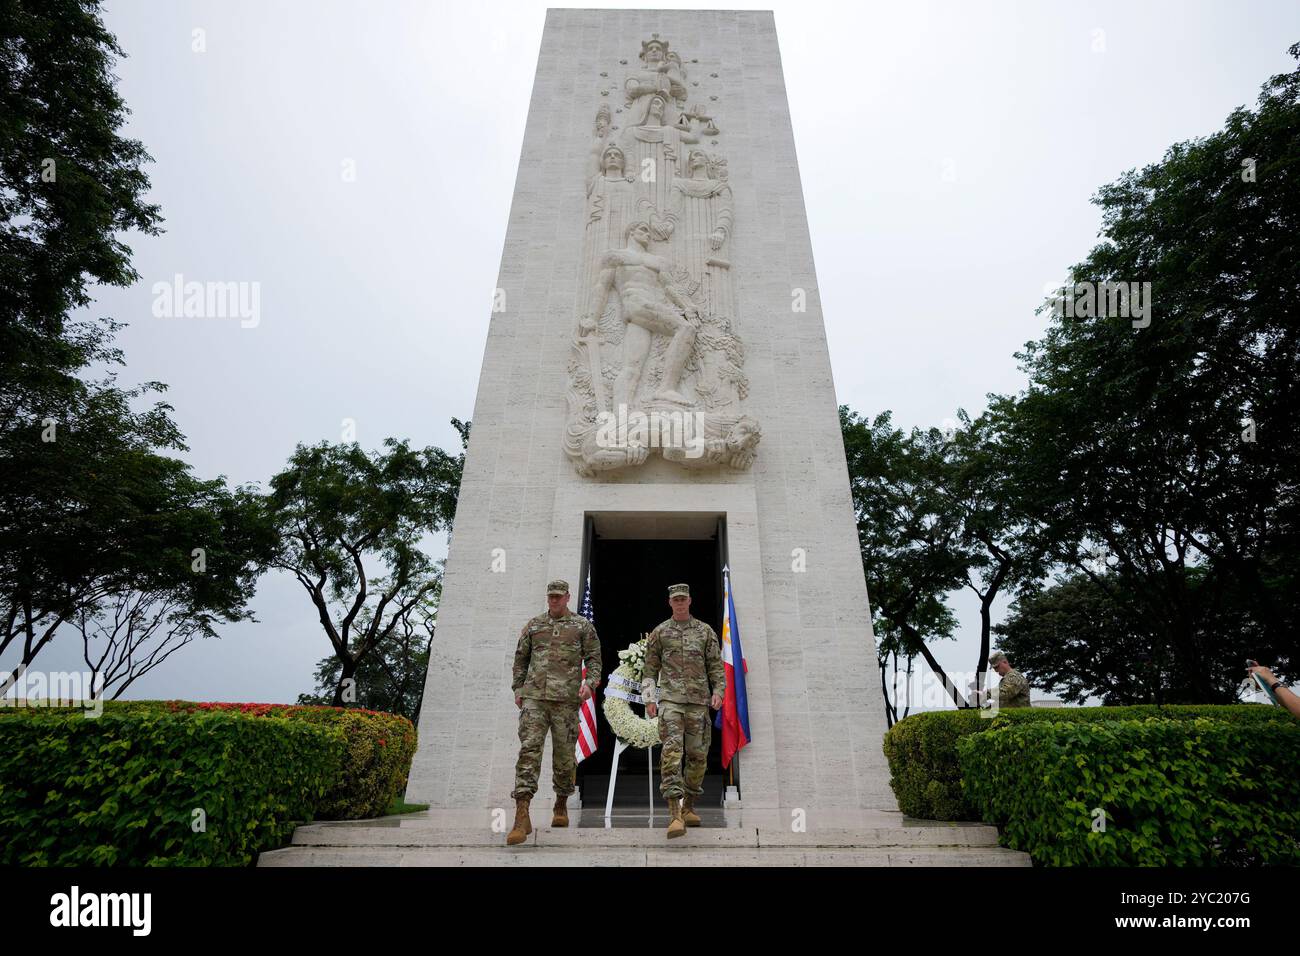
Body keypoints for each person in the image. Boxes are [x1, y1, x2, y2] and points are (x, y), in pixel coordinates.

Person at [506, 579, 602, 846]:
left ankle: (560, 804)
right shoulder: (534, 625)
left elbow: (595, 658)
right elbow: (520, 658)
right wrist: (518, 688)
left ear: (568, 597)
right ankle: (521, 815)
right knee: (528, 752)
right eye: (551, 597)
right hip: (535, 698)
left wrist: (590, 684)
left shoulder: (582, 626)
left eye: (559, 596)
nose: (554, 600)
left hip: (566, 701)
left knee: (564, 757)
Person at [642, 583, 724, 838]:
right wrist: (649, 699)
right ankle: (674, 814)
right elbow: (649, 667)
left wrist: (718, 691)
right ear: (670, 603)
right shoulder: (661, 632)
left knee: (698, 758)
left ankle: (688, 806)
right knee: (671, 754)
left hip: (699, 703)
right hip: (671, 702)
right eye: (675, 600)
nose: (679, 603)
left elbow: (715, 666)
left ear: (690, 601)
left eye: (683, 599)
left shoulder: (704, 631)